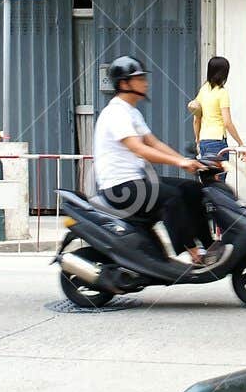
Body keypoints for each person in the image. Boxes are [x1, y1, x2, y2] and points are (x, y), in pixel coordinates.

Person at [94, 55, 221, 267]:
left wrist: (186, 160)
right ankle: (194, 253)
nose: (145, 82)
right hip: (119, 187)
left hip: (136, 181)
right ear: (125, 84)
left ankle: (209, 246)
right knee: (171, 197)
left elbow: (153, 142)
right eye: (139, 78)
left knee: (191, 189)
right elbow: (139, 148)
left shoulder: (131, 112)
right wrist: (179, 163)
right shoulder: (115, 113)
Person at [188, 55, 245, 164]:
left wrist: (198, 139)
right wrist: (240, 143)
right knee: (218, 179)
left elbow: (196, 119)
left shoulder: (203, 90)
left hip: (204, 141)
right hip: (217, 141)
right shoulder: (222, 93)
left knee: (207, 178)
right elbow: (227, 122)